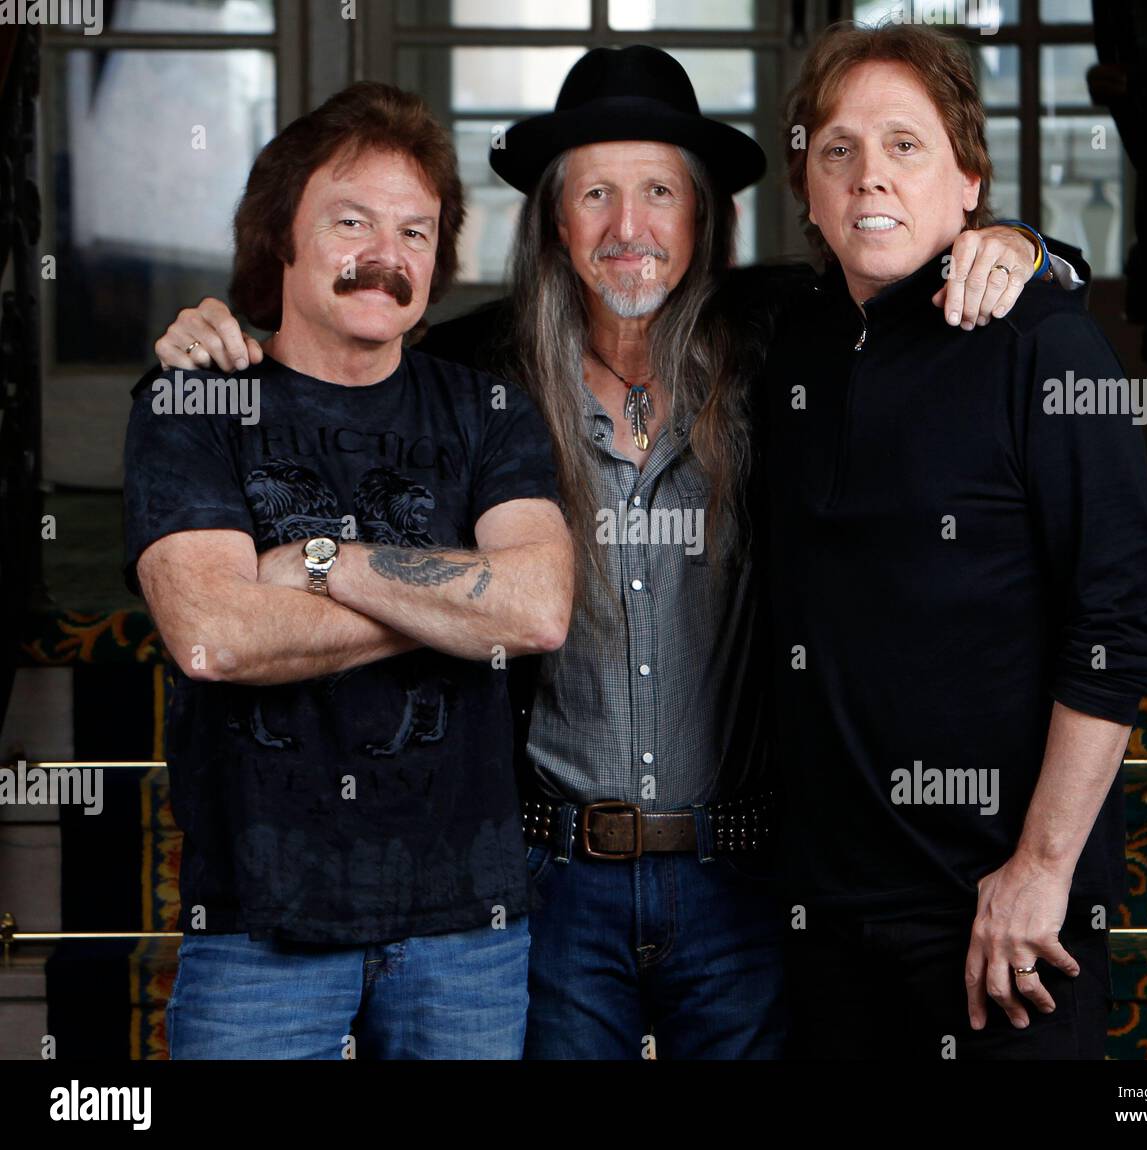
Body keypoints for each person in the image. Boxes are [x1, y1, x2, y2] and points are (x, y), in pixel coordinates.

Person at [147, 47, 1076, 1059]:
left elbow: (907, 263)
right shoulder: (477, 370)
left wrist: (1026, 247)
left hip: (747, 876)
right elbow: (341, 329)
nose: (627, 228)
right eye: (595, 193)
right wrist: (223, 324)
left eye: (659, 195)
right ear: (555, 218)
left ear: (701, 219)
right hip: (549, 878)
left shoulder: (783, 344)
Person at [122, 82, 573, 1059]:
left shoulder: (487, 410)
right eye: (352, 221)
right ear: (277, 230)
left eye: (417, 231)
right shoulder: (194, 402)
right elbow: (213, 634)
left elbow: (536, 610)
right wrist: (454, 601)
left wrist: (316, 563)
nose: (387, 255)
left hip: (468, 926)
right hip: (258, 919)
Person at [757, 21, 1147, 1059]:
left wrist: (1039, 867)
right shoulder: (779, 335)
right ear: (804, 183)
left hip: (1001, 915)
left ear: (968, 179)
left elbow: (1118, 618)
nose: (867, 178)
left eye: (906, 145)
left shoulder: (1044, 341)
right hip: (821, 913)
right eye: (837, 149)